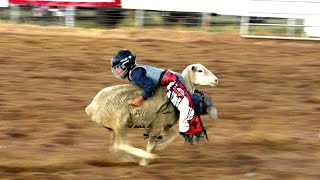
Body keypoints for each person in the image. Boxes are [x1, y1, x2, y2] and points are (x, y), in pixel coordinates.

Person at [110, 49, 206, 138]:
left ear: (125, 65)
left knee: (181, 103)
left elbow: (150, 86)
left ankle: (200, 104)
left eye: (118, 67)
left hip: (172, 81)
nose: (117, 70)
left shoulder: (136, 74)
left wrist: (141, 98)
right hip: (166, 82)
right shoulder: (134, 73)